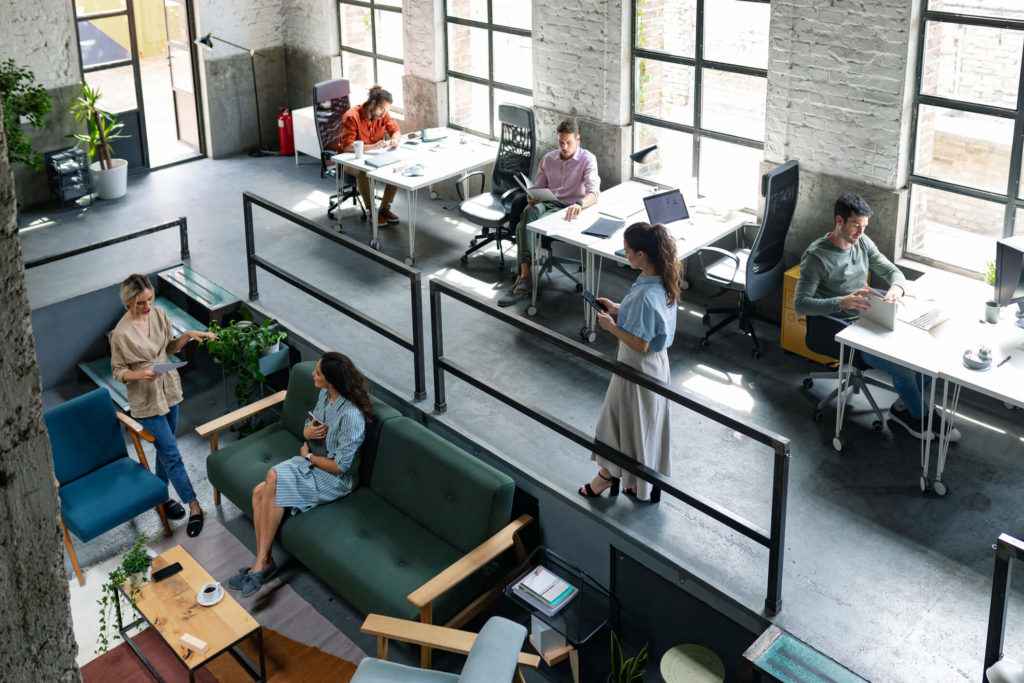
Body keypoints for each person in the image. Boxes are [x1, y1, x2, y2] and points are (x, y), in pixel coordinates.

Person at [794, 193, 961, 441]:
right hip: (842, 331)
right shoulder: (816, 258)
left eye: (864, 226)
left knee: (924, 353)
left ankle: (903, 407)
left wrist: (896, 289)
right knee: (903, 368)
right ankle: (920, 417)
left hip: (872, 318)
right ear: (839, 220)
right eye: (856, 225)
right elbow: (800, 305)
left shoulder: (862, 242)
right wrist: (841, 301)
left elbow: (893, 271)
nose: (860, 232)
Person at [230, 352, 374, 597]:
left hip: (335, 479)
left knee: (273, 476)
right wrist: (307, 432)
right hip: (314, 462)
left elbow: (341, 468)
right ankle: (263, 562)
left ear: (331, 380)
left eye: (317, 373)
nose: (313, 374)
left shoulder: (350, 416)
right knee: (258, 492)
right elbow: (310, 428)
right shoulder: (324, 395)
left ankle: (261, 565)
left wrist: (308, 457)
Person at [110, 274, 218, 537]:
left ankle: (161, 496)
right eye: (140, 303)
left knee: (164, 449)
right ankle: (193, 505)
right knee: (171, 453)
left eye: (150, 299)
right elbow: (117, 371)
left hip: (168, 389)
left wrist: (190, 335)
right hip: (145, 398)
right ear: (128, 303)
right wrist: (139, 375)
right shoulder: (120, 334)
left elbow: (168, 347)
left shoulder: (158, 315)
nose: (147, 306)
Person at [579, 222, 679, 502]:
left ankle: (605, 477)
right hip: (655, 365)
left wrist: (610, 326)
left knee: (614, 422)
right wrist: (618, 308)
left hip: (637, 365)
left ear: (641, 254)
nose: (625, 256)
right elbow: (645, 320)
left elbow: (640, 342)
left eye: (627, 251)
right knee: (641, 425)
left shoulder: (647, 294)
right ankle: (638, 484)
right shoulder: (657, 280)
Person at [498, 119, 600, 307]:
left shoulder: (587, 159)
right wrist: (532, 196)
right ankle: (526, 274)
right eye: (561, 142)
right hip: (548, 202)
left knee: (523, 224)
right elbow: (538, 187)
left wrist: (579, 203)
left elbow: (594, 193)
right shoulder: (549, 159)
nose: (564, 146)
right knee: (530, 209)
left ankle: (524, 278)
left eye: (569, 142)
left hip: (570, 207)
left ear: (578, 139)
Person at [338, 85, 401, 228]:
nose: (384, 114)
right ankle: (372, 211)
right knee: (363, 172)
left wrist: (395, 139)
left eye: (386, 111)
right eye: (381, 109)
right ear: (372, 104)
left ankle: (384, 207)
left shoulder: (382, 115)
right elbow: (346, 146)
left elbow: (396, 130)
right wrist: (373, 146)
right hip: (348, 160)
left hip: (374, 157)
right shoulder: (352, 117)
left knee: (396, 167)